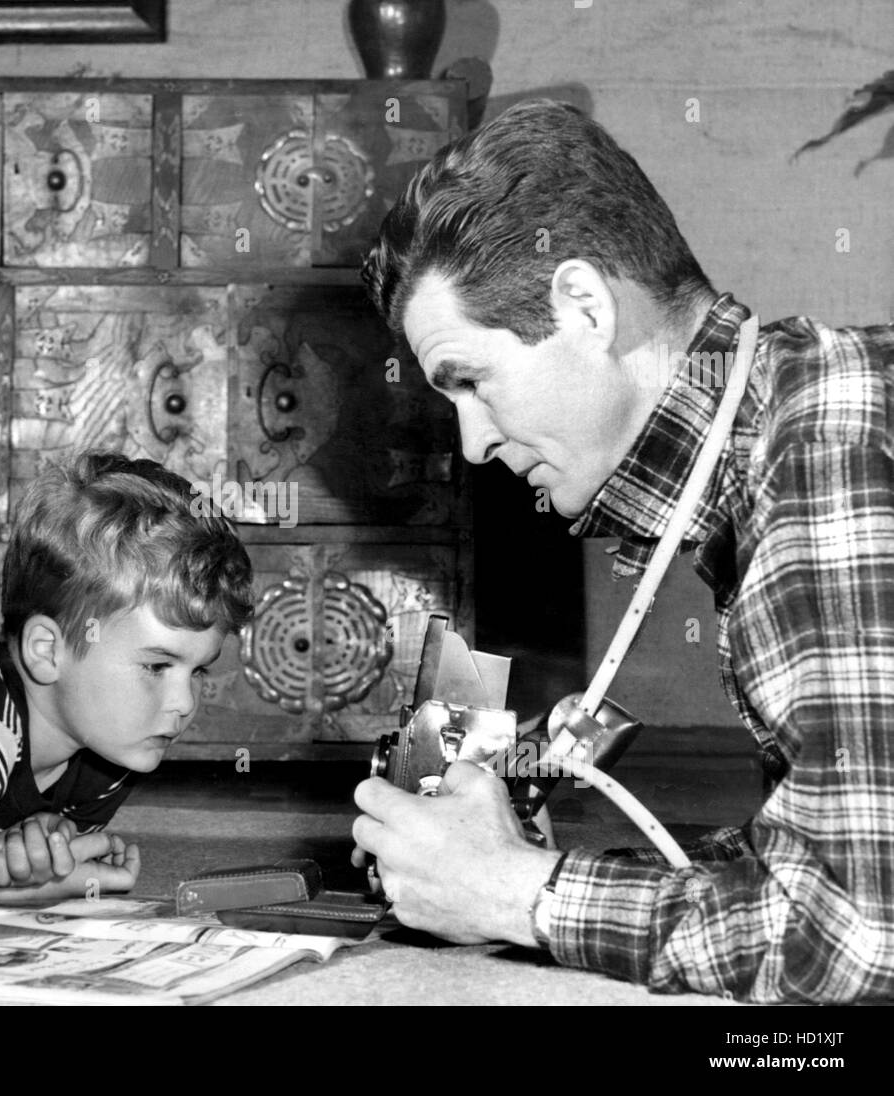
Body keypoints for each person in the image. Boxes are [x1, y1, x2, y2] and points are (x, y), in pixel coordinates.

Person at [353, 98, 894, 1003]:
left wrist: (519, 893)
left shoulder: (824, 442)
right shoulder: (791, 417)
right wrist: (514, 871)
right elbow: (818, 861)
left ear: (585, 306)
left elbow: (860, 935)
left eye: (473, 381)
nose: (474, 444)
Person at [0, 451, 254, 904]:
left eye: (199, 670)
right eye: (156, 666)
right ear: (48, 651)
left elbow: (15, 865)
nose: (185, 703)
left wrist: (37, 859)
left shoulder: (109, 758)